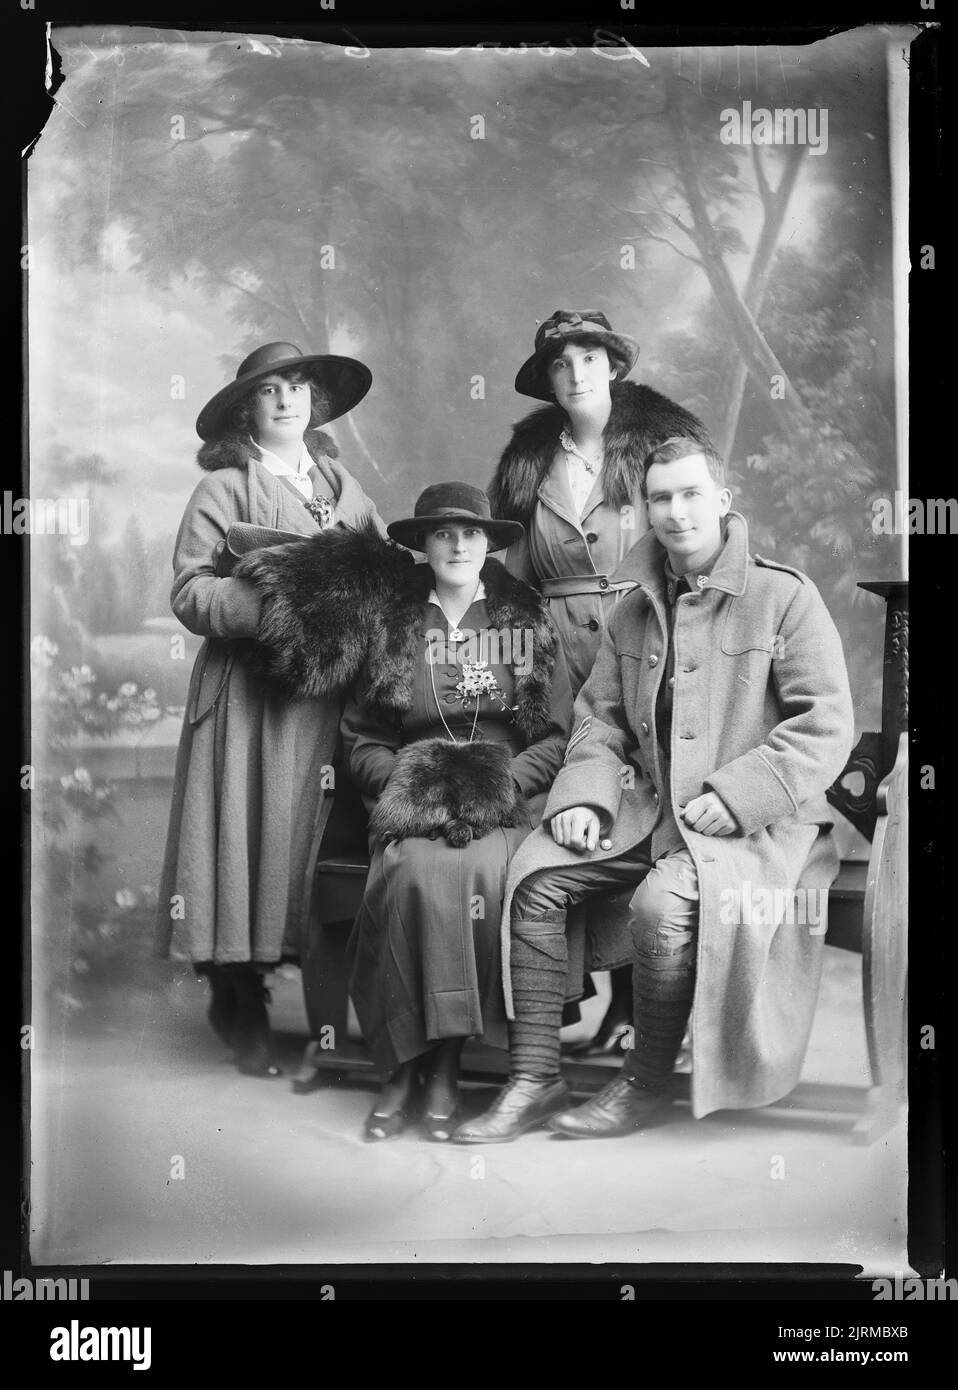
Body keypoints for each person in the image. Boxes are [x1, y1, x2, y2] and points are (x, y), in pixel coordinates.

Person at [455, 436, 855, 1143]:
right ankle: (535, 1078)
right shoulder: (631, 609)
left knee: (660, 905)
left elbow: (825, 727)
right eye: (661, 499)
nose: (676, 512)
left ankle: (644, 1084)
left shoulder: (783, 597)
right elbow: (597, 721)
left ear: (723, 501)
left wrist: (739, 795)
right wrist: (584, 796)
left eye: (691, 494)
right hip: (650, 810)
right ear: (644, 512)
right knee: (536, 877)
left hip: (758, 824)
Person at [488, 308, 715, 1053]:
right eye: (560, 363)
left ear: (613, 366)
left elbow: (692, 554)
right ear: (548, 380)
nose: (576, 372)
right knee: (573, 811)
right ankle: (557, 1004)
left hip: (647, 643)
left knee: (647, 809)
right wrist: (519, 667)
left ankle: (640, 1009)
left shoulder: (657, 453)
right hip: (555, 662)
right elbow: (511, 581)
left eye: (589, 357)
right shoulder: (528, 467)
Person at [156, 341, 384, 1077]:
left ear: (316, 403)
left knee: (311, 848)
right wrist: (275, 601)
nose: (286, 400)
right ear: (248, 409)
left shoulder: (346, 489)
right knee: (245, 836)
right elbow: (191, 592)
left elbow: (385, 576)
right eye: (270, 391)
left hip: (329, 702)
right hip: (250, 701)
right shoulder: (225, 488)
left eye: (298, 387)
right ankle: (238, 994)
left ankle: (332, 1004)